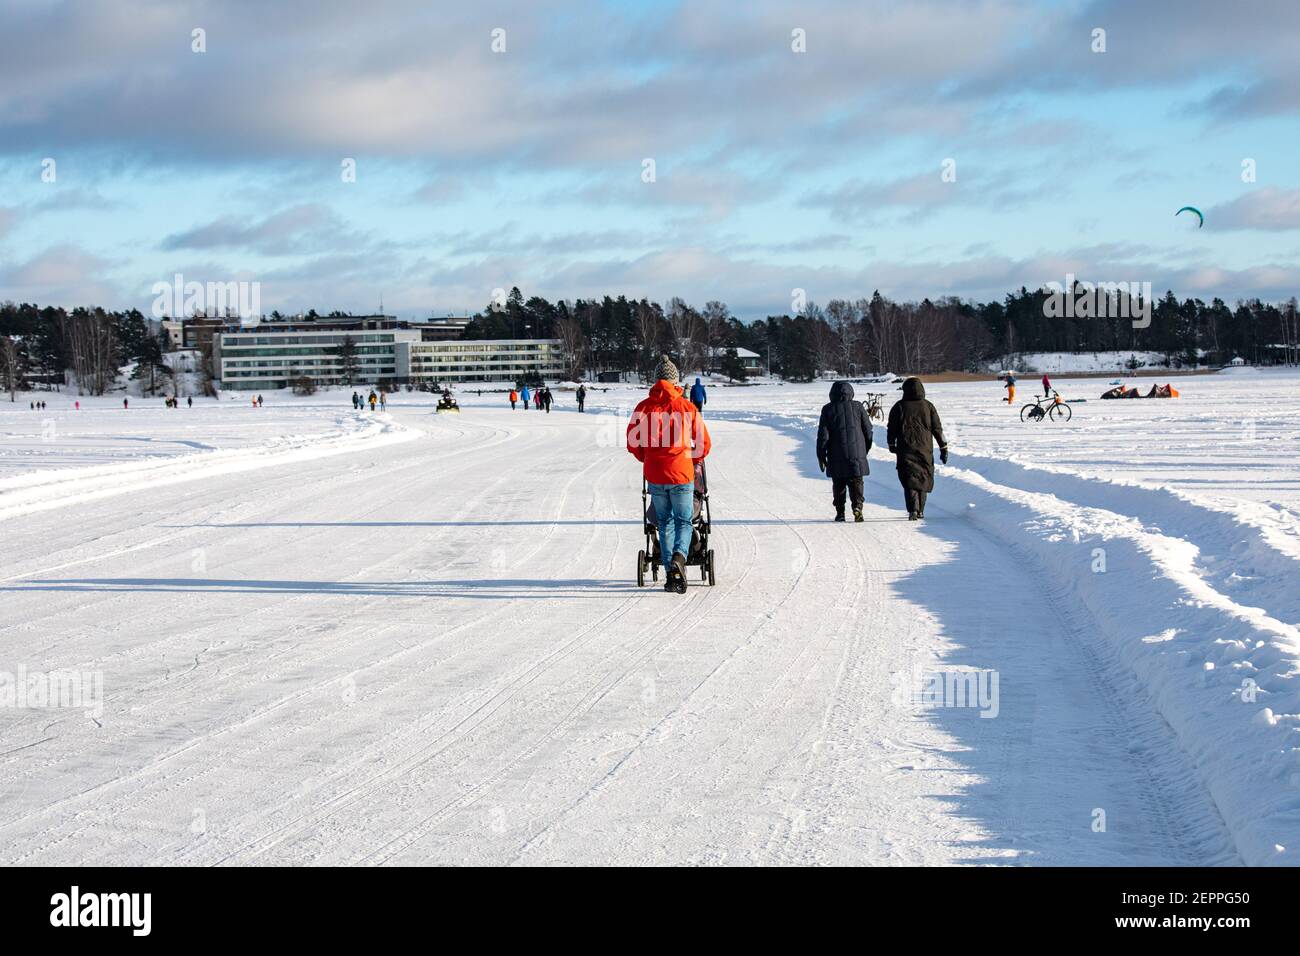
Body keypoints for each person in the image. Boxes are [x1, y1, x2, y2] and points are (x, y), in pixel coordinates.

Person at [627, 355, 711, 594]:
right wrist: (691, 459)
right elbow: (703, 443)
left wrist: (648, 458)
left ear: (656, 381)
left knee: (664, 522)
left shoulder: (643, 408)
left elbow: (633, 442)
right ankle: (679, 559)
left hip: (655, 474)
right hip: (682, 474)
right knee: (684, 521)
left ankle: (669, 574)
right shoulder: (686, 407)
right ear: (675, 381)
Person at [887, 377, 948, 521]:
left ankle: (912, 509)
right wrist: (943, 446)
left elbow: (892, 428)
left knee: (909, 478)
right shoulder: (928, 406)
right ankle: (920, 510)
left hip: (905, 447)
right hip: (925, 448)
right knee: (923, 477)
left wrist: (891, 444)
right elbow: (937, 429)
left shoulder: (899, 406)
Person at [816, 381, 873, 523]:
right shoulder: (858, 407)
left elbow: (823, 435)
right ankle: (858, 507)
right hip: (856, 453)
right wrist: (864, 449)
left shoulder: (827, 409)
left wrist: (821, 455)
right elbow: (868, 430)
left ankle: (840, 512)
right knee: (856, 481)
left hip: (836, 454)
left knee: (839, 483)